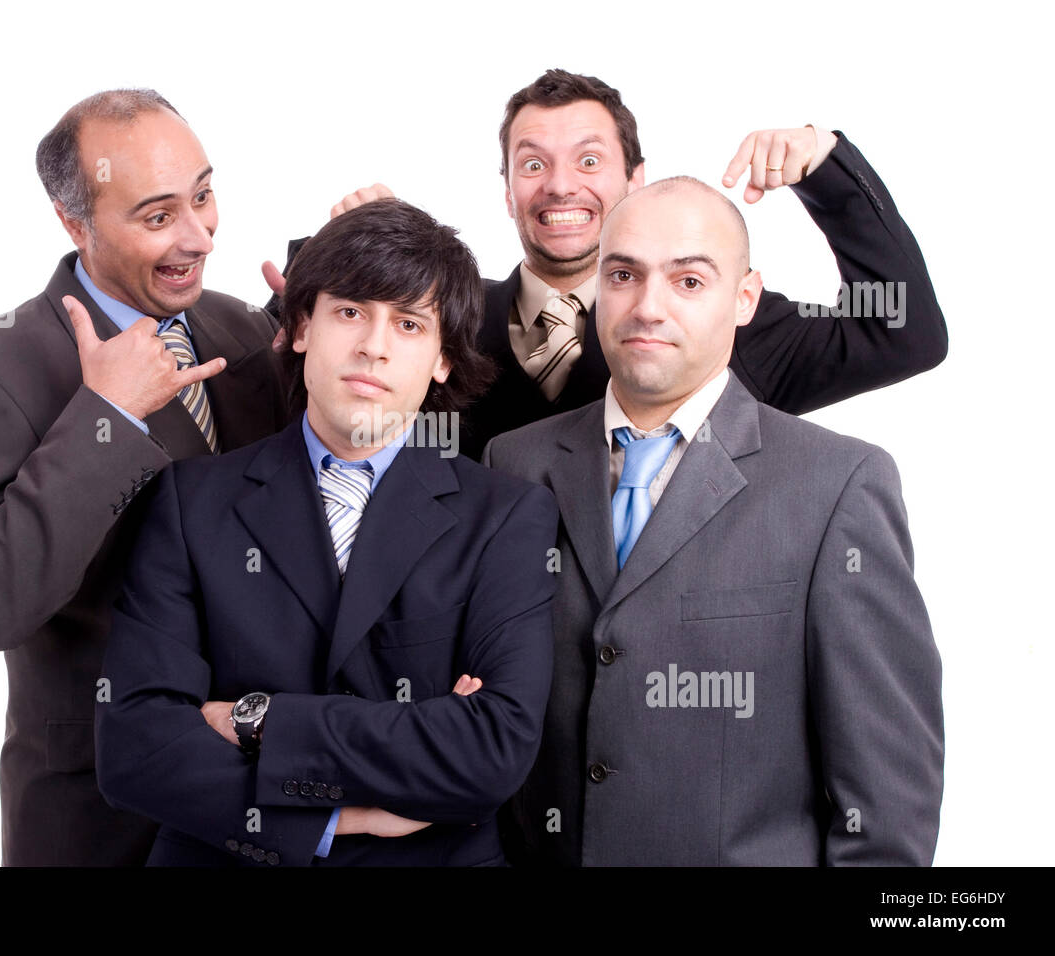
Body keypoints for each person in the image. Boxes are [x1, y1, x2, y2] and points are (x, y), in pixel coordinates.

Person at [484, 176, 944, 865]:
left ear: (745, 298)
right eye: (623, 275)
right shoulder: (513, 463)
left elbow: (887, 805)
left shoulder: (837, 486)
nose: (647, 306)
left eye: (689, 281)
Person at [96, 200, 559, 866]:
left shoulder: (507, 516)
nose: (374, 344)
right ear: (302, 326)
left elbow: (493, 749)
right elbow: (137, 748)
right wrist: (337, 818)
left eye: (408, 324)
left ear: (443, 362)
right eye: (350, 312)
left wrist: (258, 719)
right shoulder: (190, 502)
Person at [0, 89, 287, 865]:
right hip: (100, 817)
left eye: (204, 195)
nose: (200, 236)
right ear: (72, 222)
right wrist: (105, 417)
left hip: (259, 799)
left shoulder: (241, 328)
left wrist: (340, 323)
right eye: (158, 217)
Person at [278, 69, 948, 459]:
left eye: (590, 160)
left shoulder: (715, 322)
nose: (561, 185)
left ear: (636, 178)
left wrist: (827, 173)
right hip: (463, 681)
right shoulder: (427, 321)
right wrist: (357, 258)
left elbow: (901, 333)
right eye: (533, 163)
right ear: (507, 189)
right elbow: (308, 399)